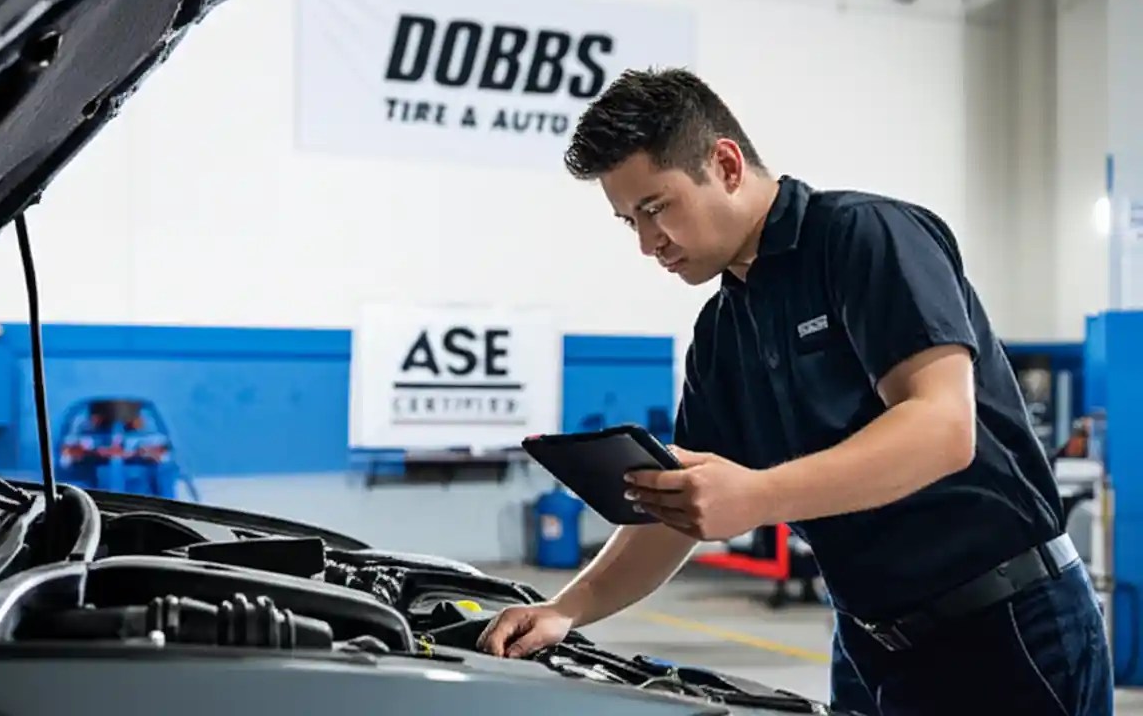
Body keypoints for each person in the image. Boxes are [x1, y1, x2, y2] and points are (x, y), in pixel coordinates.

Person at [476, 67, 1113, 715]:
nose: (647, 244)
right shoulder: (724, 329)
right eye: (627, 222)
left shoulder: (865, 237)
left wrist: (754, 495)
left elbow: (941, 428)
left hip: (1003, 631)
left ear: (725, 164)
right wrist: (567, 607)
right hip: (869, 644)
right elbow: (677, 514)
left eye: (655, 208)